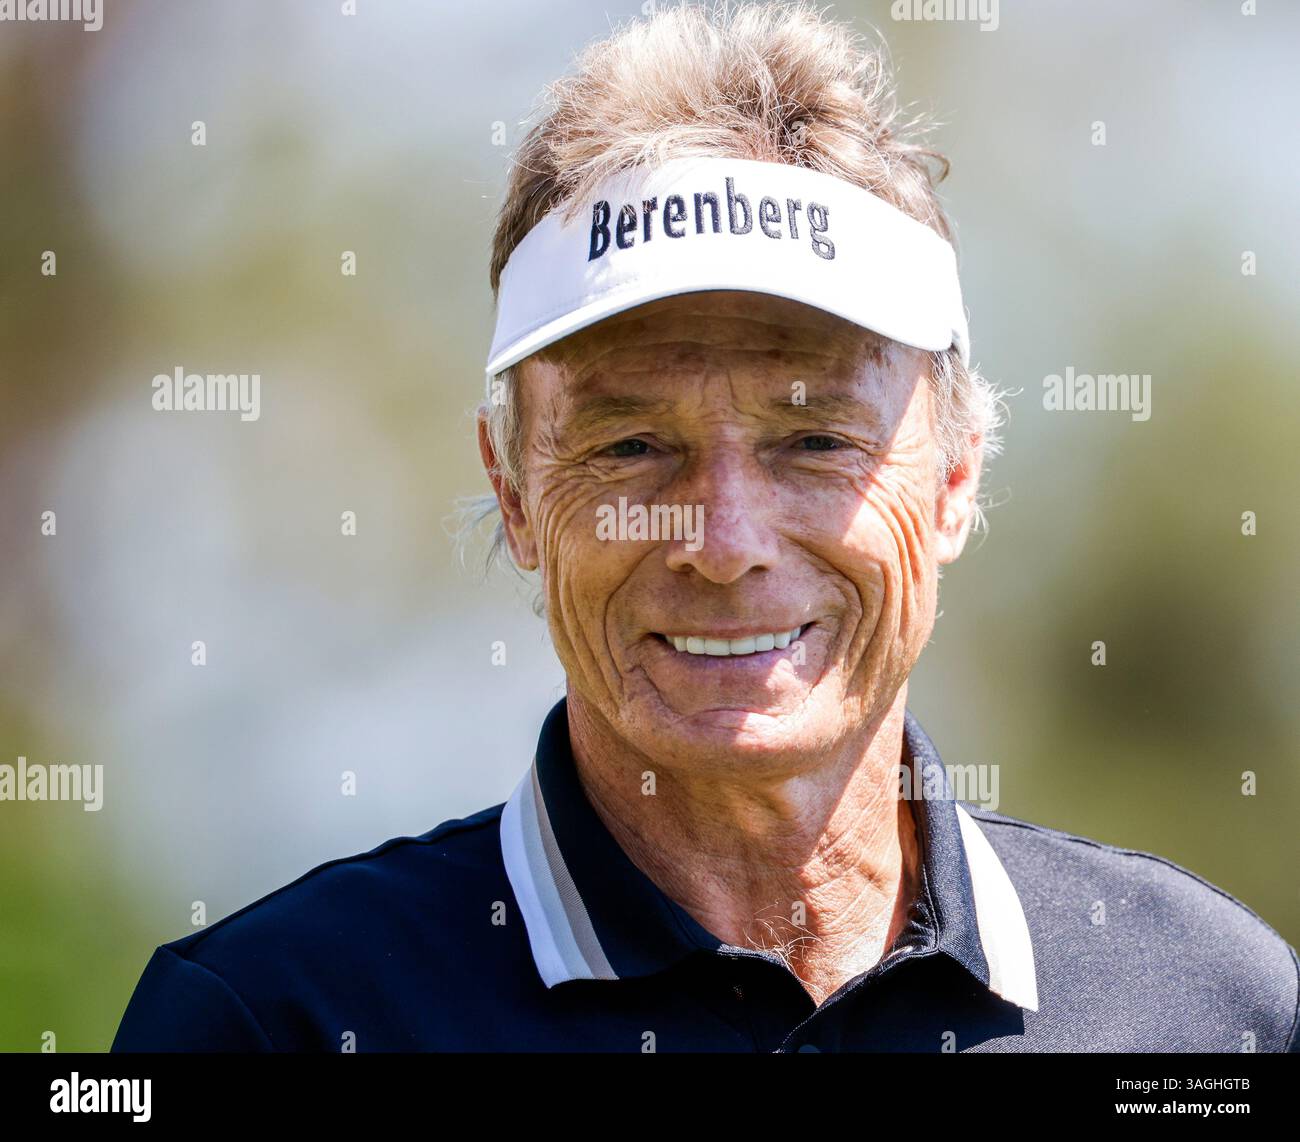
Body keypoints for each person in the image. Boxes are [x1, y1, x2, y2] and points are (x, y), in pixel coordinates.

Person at [113, 0, 1298, 1053]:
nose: (724, 538)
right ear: (518, 491)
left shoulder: (1213, 1008)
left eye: (816, 440)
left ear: (952, 478)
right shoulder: (274, 1019)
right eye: (632, 445)